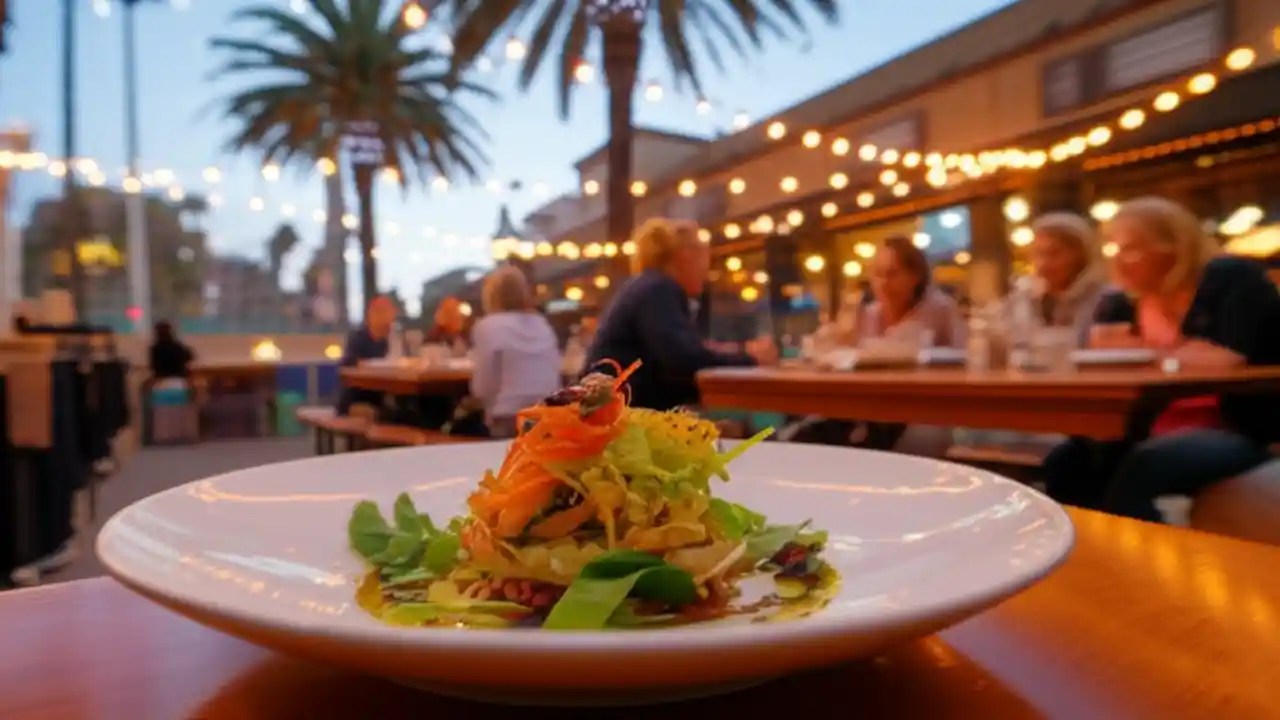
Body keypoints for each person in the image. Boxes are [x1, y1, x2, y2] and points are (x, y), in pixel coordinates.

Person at [1044, 197, 1280, 523]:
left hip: (1237, 428)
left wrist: (1145, 352)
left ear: (1174, 246)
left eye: (1132, 249)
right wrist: (1177, 353)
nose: (1120, 261)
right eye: (1114, 249)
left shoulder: (1231, 278)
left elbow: (1227, 359)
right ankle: (1082, 555)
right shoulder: (1126, 300)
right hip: (1150, 425)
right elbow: (1098, 357)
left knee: (1142, 467)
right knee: (1067, 461)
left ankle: (1141, 564)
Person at [785, 235, 965, 449]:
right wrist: (843, 333)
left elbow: (964, 357)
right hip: (870, 410)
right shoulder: (868, 314)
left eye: (892, 274)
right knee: (811, 435)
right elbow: (831, 355)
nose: (883, 283)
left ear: (914, 276)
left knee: (918, 443)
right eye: (877, 274)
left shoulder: (939, 309)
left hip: (924, 410)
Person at [586, 218, 777, 410]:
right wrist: (751, 359)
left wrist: (736, 351)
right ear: (686, 255)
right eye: (705, 259)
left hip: (613, 413)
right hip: (616, 422)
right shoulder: (658, 289)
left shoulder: (648, 285)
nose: (706, 272)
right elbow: (684, 361)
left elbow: (682, 350)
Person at [468, 266, 562, 438]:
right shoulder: (542, 324)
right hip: (549, 413)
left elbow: (482, 386)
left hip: (509, 416)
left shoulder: (488, 325)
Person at [1029, 212, 1108, 346]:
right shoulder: (1030, 300)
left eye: (1053, 254)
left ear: (1081, 255)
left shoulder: (1108, 301)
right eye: (1039, 254)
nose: (1043, 264)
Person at [336, 295, 398, 415]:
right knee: (389, 416)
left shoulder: (389, 341)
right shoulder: (358, 338)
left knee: (405, 413)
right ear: (371, 315)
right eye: (383, 313)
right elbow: (347, 365)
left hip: (380, 399)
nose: (389, 320)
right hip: (356, 401)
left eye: (391, 315)